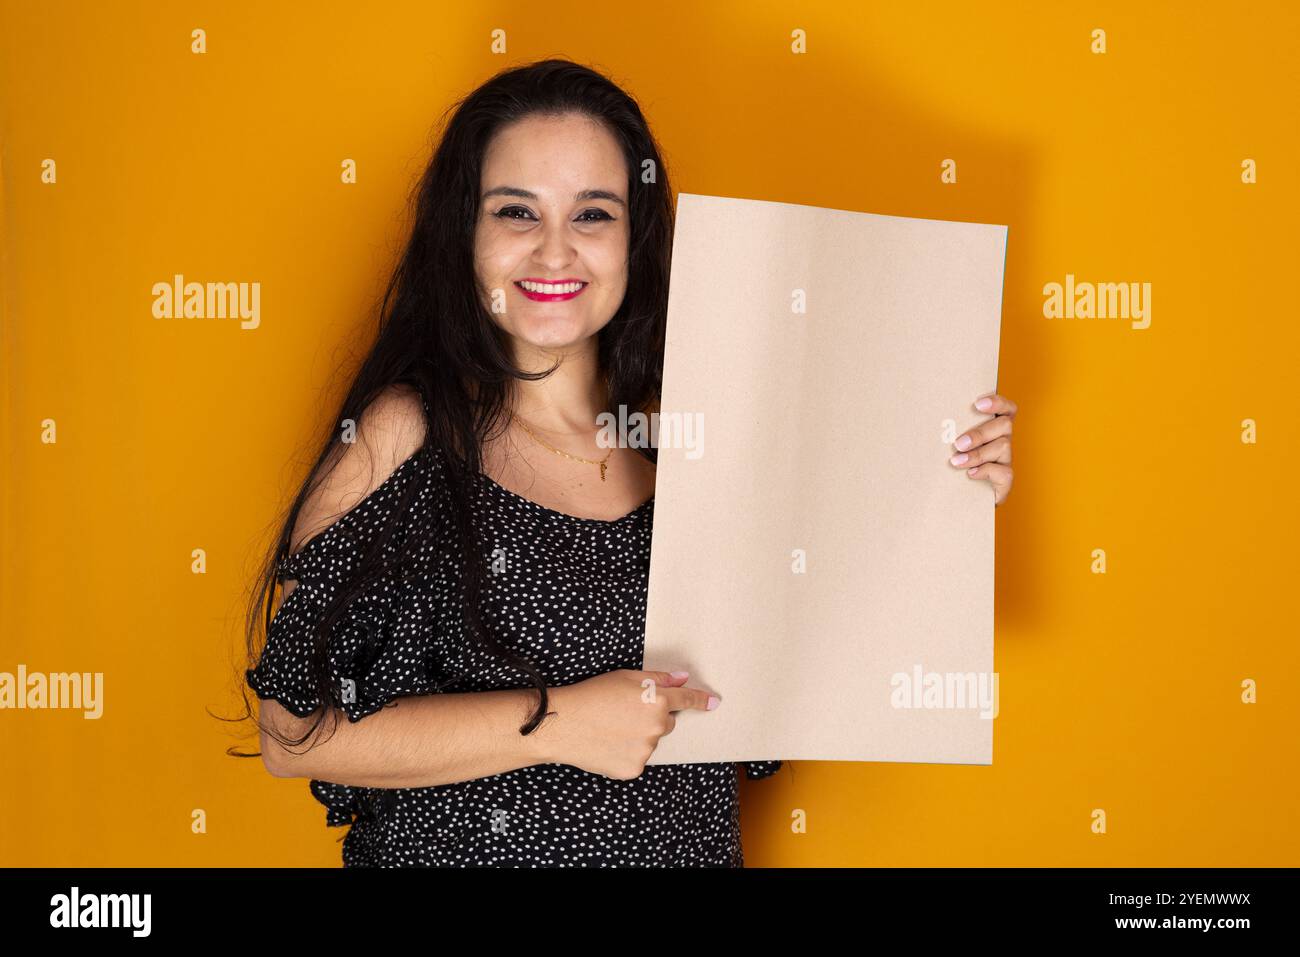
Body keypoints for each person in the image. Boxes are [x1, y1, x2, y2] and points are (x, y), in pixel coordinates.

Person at [238, 57, 1018, 867]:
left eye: (593, 214)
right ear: (463, 234)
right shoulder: (405, 433)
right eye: (515, 211)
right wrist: (559, 722)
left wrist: (948, 492)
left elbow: (824, 651)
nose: (554, 251)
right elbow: (294, 734)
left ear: (632, 236)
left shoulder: (694, 441)